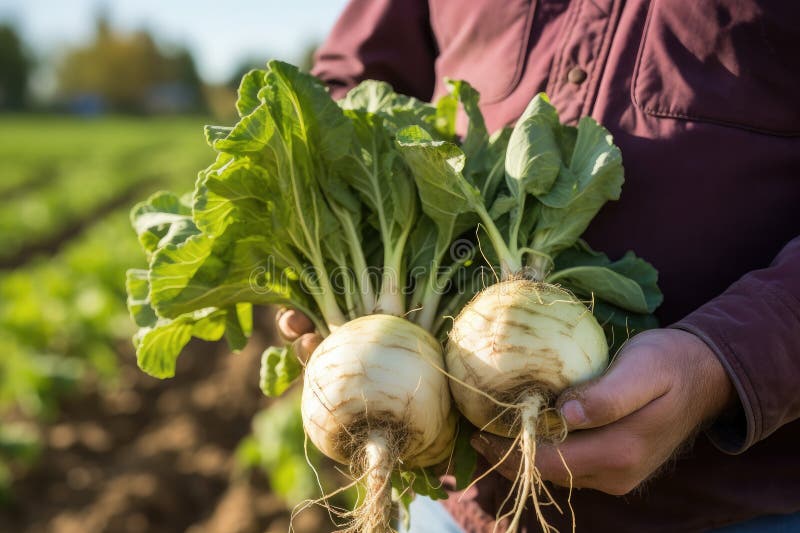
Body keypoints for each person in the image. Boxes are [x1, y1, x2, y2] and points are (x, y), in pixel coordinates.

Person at [278, 1, 800, 531]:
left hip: (735, 505)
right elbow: (351, 85)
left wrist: (723, 364)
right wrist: (334, 238)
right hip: (450, 502)